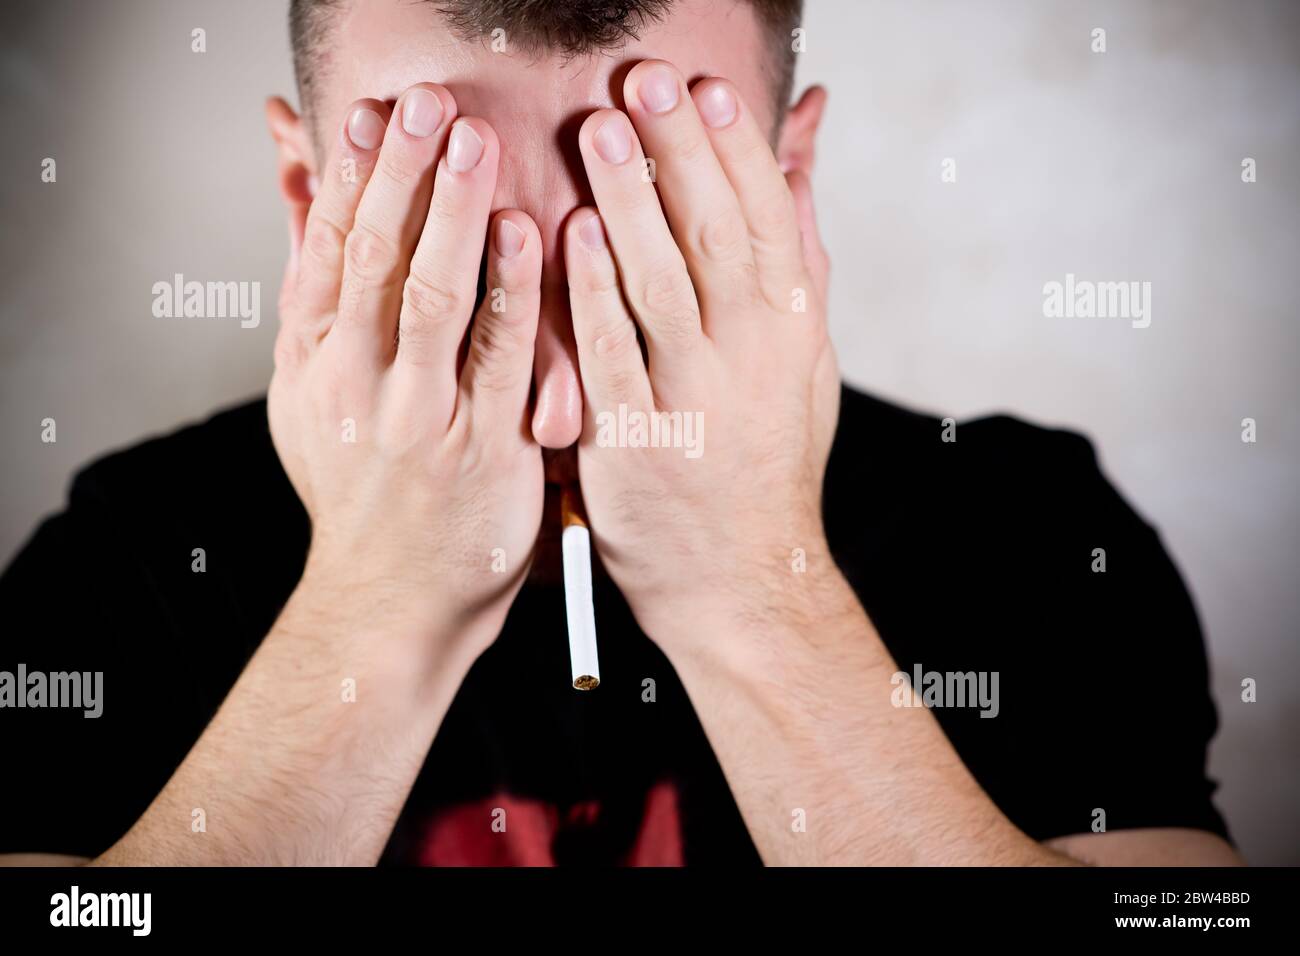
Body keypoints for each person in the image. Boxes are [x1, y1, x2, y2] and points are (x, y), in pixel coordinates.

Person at [0, 0, 1241, 866]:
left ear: (786, 187)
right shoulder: (126, 564)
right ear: (309, 202)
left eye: (643, 273)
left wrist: (753, 590)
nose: (547, 408)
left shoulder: (1028, 535)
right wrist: (373, 610)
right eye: (464, 271)